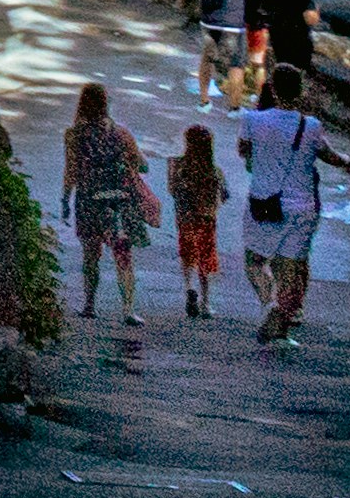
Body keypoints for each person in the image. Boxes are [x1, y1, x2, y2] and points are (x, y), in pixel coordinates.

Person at [236, 69, 345, 342]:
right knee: (290, 271)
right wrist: (348, 161)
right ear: (300, 92)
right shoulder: (312, 126)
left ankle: (270, 305)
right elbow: (329, 155)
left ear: (272, 88)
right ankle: (283, 326)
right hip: (303, 207)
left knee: (254, 262)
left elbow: (243, 151)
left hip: (264, 203)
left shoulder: (251, 119)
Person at [62, 80, 154, 322]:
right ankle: (128, 310)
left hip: (88, 201)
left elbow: (71, 171)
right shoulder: (121, 134)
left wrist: (65, 200)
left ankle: (89, 305)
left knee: (91, 255)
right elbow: (143, 165)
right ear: (105, 104)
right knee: (123, 255)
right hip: (117, 202)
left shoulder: (73, 135)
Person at [169, 121, 230, 318]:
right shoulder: (214, 170)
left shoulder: (177, 165)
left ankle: (189, 286)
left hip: (185, 218)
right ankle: (205, 303)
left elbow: (172, 190)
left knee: (187, 255)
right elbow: (225, 195)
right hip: (206, 219)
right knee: (206, 258)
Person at [190, 0, 254, 103]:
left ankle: (204, 98)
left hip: (209, 20)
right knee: (236, 64)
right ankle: (234, 106)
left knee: (207, 59)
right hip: (232, 22)